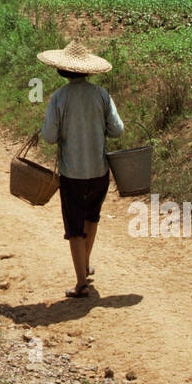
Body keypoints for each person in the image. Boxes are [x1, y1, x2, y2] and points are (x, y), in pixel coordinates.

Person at [37, 39, 124, 298]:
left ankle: (80, 283)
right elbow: (117, 130)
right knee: (91, 217)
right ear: (87, 70)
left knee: (75, 226)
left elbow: (50, 137)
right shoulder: (101, 95)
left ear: (62, 70)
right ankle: (85, 265)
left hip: (72, 173)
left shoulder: (59, 98)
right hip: (99, 171)